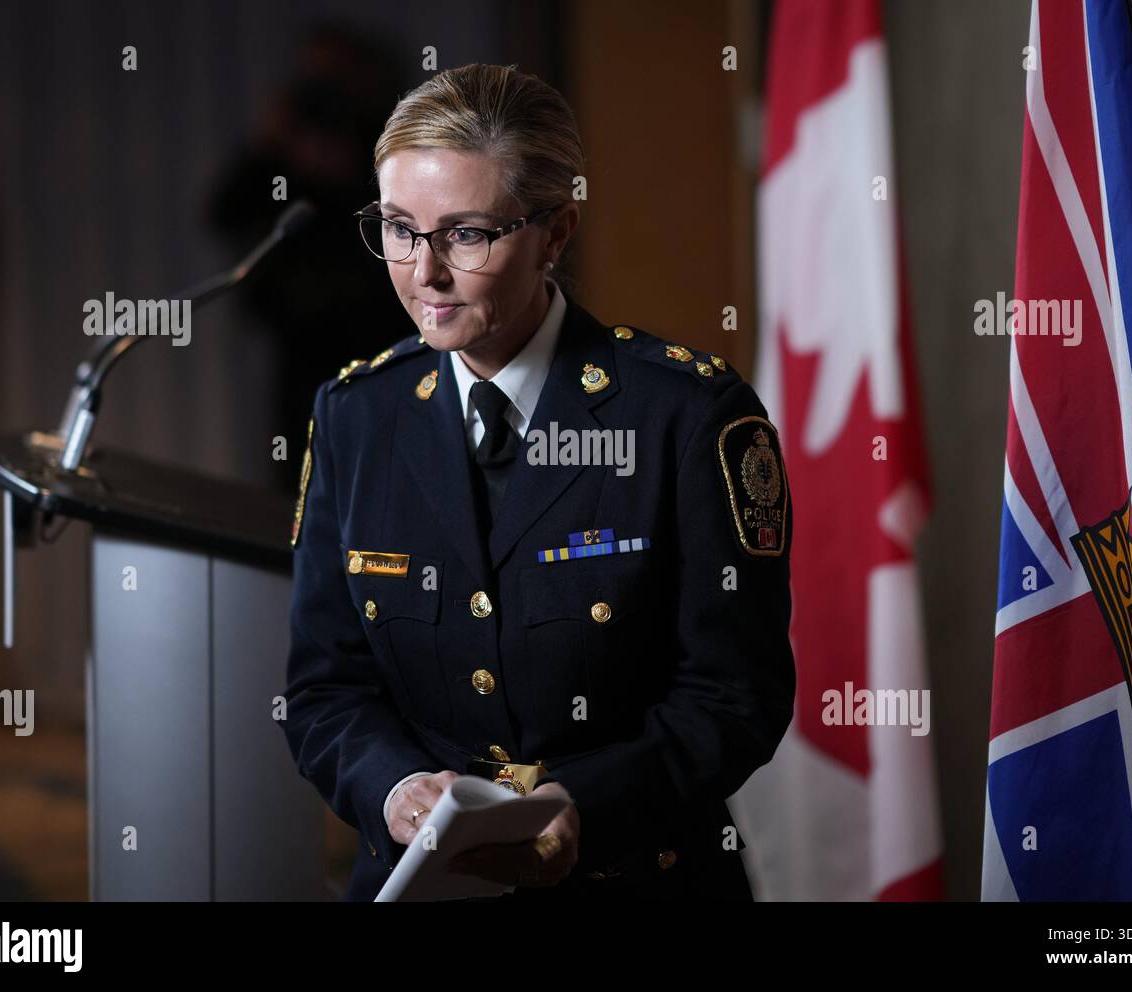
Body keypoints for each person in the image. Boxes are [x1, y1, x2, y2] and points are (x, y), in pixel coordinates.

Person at [281, 63, 795, 901]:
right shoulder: (356, 415)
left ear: (556, 233)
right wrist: (398, 789)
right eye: (400, 229)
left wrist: (580, 805)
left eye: (466, 234)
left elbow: (736, 694)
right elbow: (324, 689)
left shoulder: (687, 415)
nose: (425, 273)